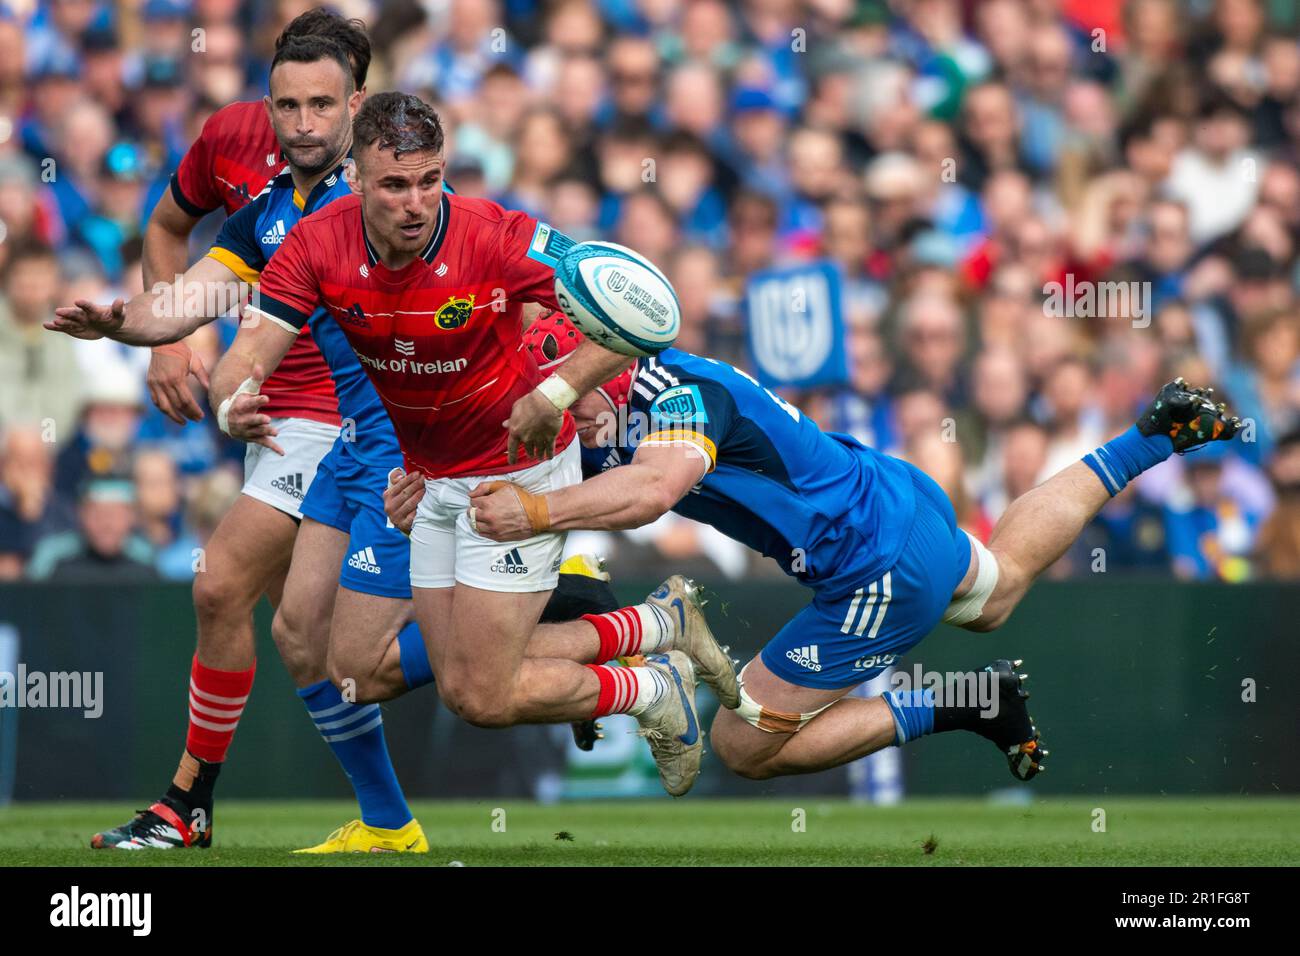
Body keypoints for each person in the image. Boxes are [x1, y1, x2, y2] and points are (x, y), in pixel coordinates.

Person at [203, 91, 739, 797]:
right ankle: (650, 627)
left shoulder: (494, 233)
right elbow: (246, 358)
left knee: (480, 698)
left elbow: (643, 308)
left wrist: (554, 394)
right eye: (395, 184)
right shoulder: (315, 241)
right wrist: (230, 404)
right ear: (357, 178)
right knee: (359, 671)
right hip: (424, 477)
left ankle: (642, 689)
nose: (416, 201)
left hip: (514, 475)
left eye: (429, 180)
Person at [459, 342, 1240, 784]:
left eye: (568, 397)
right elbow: (583, 538)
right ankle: (1150, 437)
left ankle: (955, 706)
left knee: (739, 746)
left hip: (875, 566)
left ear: (600, 369)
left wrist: (532, 511)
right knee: (995, 594)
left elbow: (654, 489)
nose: (567, 417)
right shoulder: (605, 420)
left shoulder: (676, 390)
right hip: (895, 497)